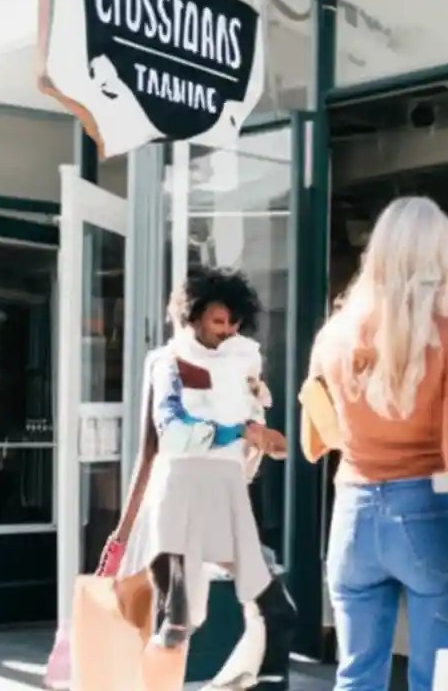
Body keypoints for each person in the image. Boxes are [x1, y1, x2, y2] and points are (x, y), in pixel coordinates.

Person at [301, 196, 448, 691]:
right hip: (431, 516)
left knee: (356, 676)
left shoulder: (332, 336)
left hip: (353, 517)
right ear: (440, 260)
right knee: (436, 680)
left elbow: (316, 441)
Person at [113, 267, 296, 690]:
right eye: (218, 320)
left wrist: (261, 439)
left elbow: (249, 429)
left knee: (277, 613)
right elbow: (165, 440)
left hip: (227, 496)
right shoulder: (168, 362)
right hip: (180, 498)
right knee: (177, 623)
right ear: (193, 315)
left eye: (234, 322)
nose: (227, 330)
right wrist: (122, 532)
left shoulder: (242, 364)